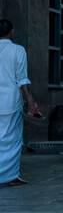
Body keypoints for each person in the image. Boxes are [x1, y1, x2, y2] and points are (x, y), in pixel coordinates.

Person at [0, 19, 41, 187]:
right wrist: (30, 101)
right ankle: (9, 175)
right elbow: (22, 80)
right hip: (10, 102)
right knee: (12, 139)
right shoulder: (18, 50)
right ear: (12, 32)